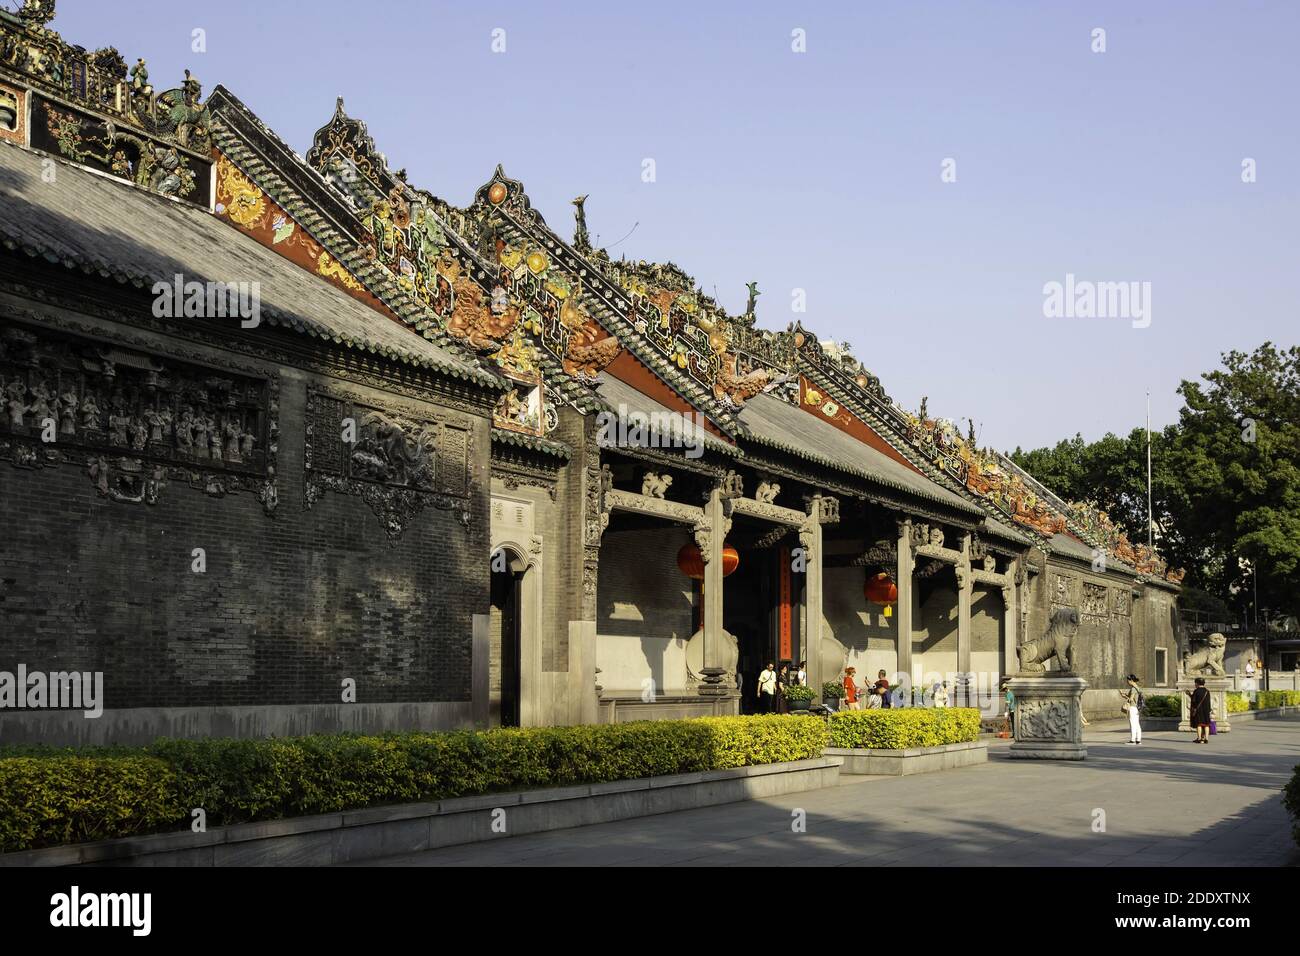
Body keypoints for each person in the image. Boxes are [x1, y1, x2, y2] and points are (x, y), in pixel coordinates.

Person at [1188, 677, 1212, 743]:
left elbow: (1194, 701)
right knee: (1206, 724)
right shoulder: (1207, 691)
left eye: (1195, 683)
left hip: (1199, 711)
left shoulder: (1196, 691)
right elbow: (1209, 702)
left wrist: (1189, 695)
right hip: (1206, 710)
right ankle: (1206, 739)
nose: (1195, 684)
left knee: (1199, 724)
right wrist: (1209, 710)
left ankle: (1199, 738)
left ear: (1197, 683)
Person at [1121, 673, 1144, 745]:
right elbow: (1132, 697)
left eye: (1128, 680)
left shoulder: (1133, 689)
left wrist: (1125, 697)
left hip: (1133, 707)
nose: (1127, 682)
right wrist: (1124, 695)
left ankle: (1132, 740)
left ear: (1131, 680)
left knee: (1132, 723)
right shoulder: (1137, 687)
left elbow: (1131, 699)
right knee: (1137, 724)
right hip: (1137, 707)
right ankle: (1138, 740)